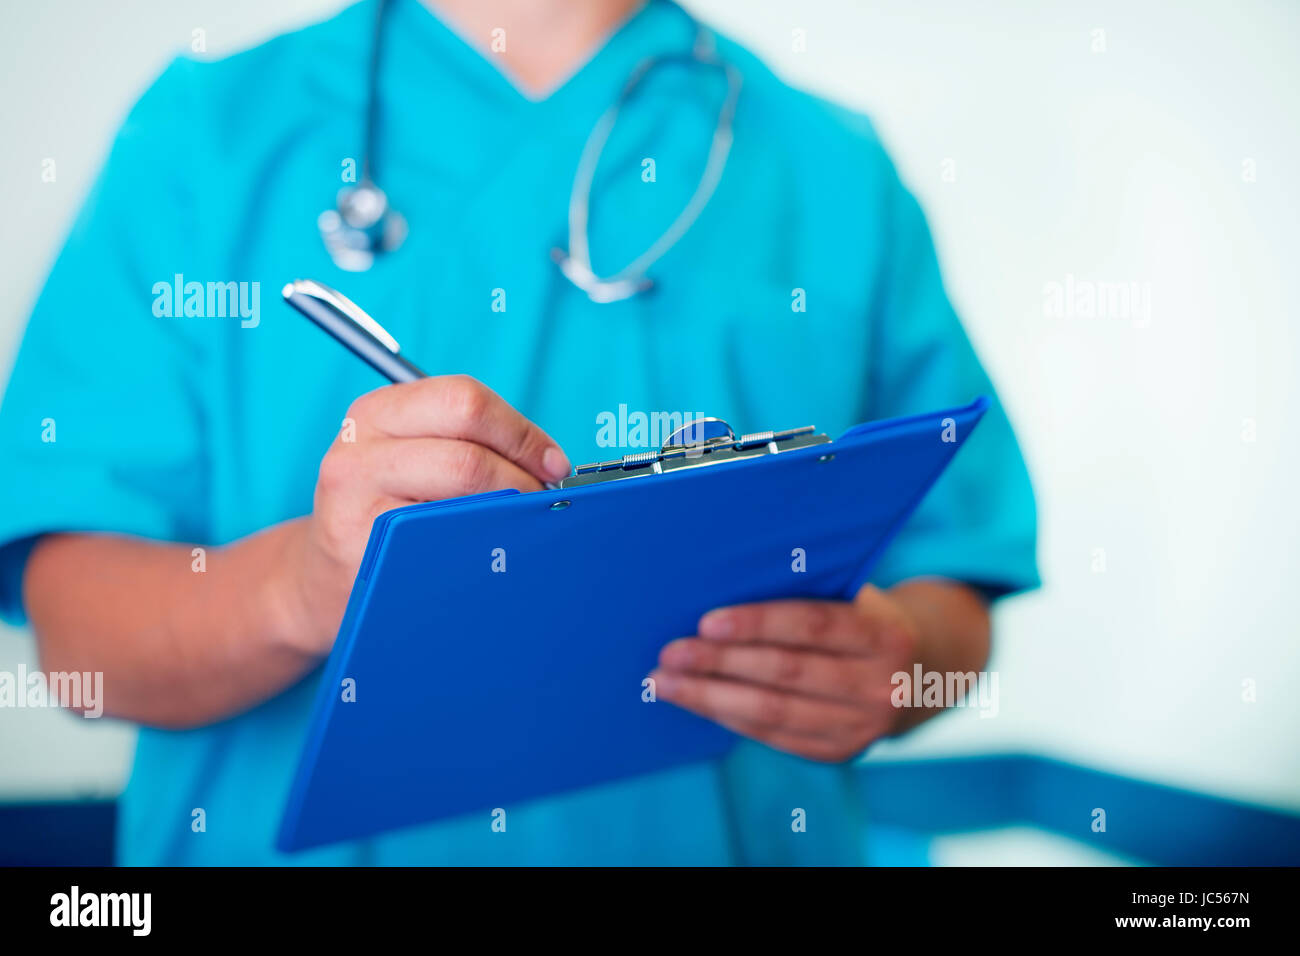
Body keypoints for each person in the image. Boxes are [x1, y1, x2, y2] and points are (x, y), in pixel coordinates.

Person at [0, 0, 1037, 865]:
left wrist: (895, 665)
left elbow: (955, 577)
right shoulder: (206, 137)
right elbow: (80, 636)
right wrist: (302, 588)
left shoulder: (831, 171)